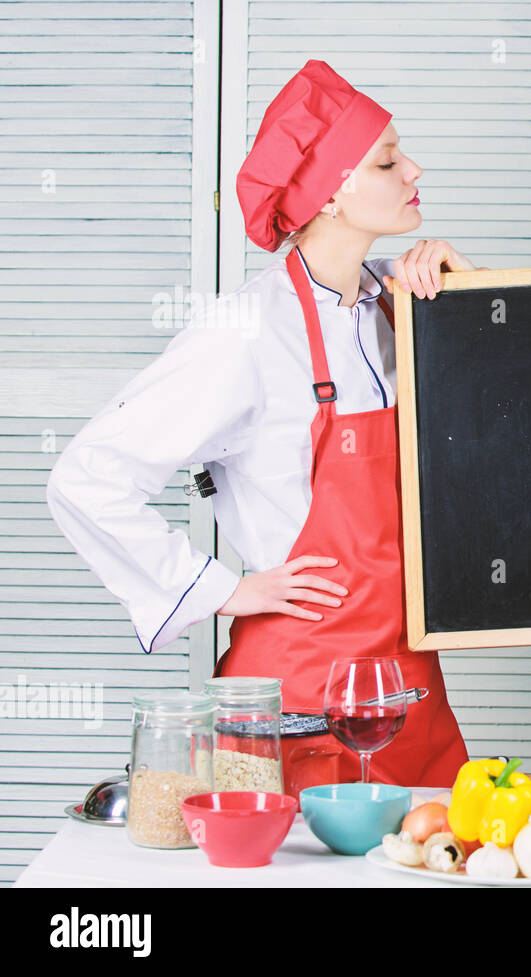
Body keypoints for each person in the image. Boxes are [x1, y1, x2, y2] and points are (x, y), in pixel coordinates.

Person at [47, 60, 473, 786]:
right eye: (388, 158)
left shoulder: (399, 309)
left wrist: (469, 299)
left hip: (409, 692)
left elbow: (521, 443)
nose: (415, 169)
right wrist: (221, 590)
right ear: (332, 191)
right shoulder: (248, 330)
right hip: (300, 699)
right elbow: (86, 477)